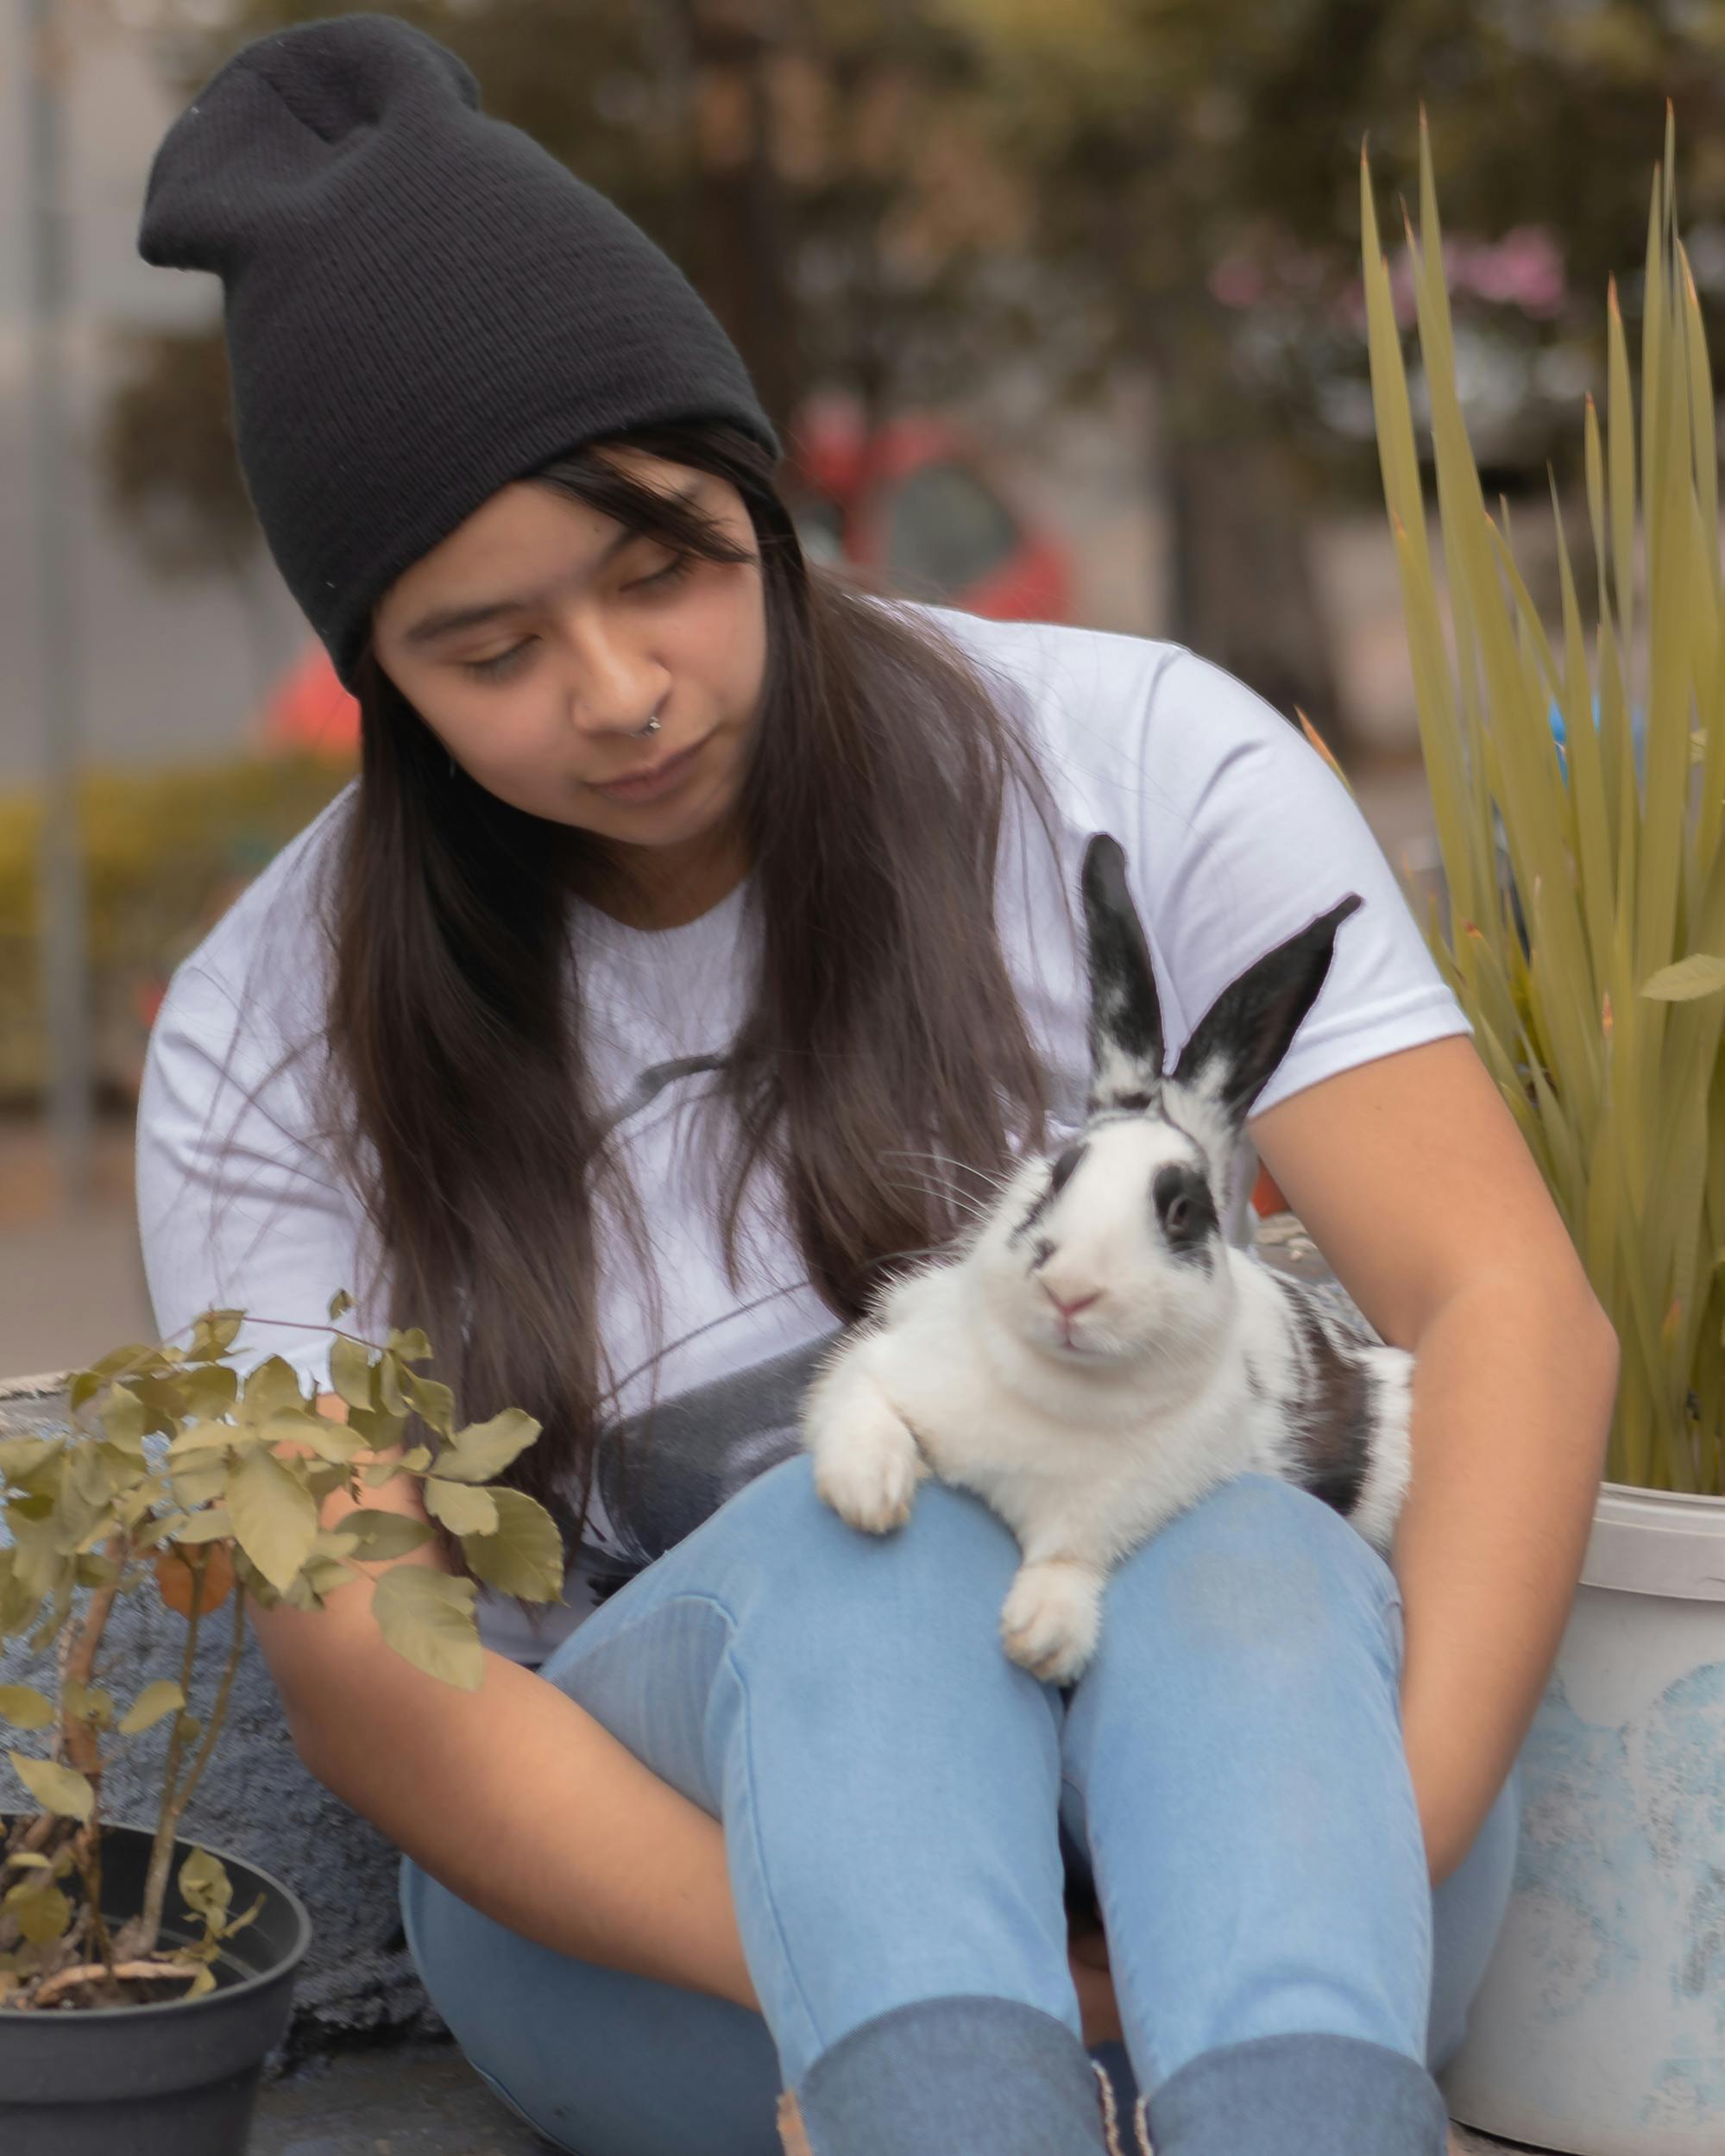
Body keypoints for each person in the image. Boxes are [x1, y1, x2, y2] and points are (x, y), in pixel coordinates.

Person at [132, 16, 1618, 2156]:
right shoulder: (277, 1023)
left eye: (666, 566)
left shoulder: (1135, 763)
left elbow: (1505, 1311)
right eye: (492, 648)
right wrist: (935, 1961)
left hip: (1273, 1832)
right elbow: (372, 1660)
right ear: (375, 677)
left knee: (1241, 1539)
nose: (621, 690)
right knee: (884, 1512)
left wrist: (1343, 1864)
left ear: (766, 496)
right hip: (683, 1929)